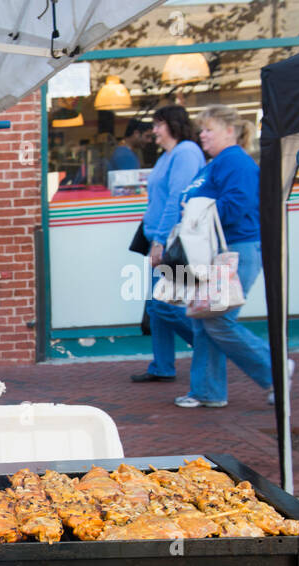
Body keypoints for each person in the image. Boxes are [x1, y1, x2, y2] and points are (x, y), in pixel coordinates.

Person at [172, 105, 275, 409]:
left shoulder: (234, 161)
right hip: (222, 251)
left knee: (216, 319)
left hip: (234, 250)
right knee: (205, 320)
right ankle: (207, 391)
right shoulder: (219, 162)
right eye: (201, 129)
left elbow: (236, 205)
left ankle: (275, 371)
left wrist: (196, 216)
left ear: (230, 130)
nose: (202, 135)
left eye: (208, 129)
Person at [130, 105, 206, 383]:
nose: (154, 130)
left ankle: (209, 346)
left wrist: (160, 241)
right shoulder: (168, 156)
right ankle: (162, 366)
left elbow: (176, 199)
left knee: (164, 305)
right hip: (158, 238)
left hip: (173, 242)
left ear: (173, 125)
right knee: (157, 306)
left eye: (159, 124)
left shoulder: (186, 152)